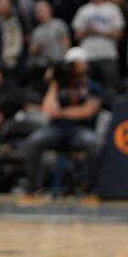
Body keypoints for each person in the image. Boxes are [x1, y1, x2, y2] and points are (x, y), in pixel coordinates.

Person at [20, 47, 104, 196]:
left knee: (94, 143)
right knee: (32, 142)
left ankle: (89, 186)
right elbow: (48, 110)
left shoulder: (92, 85)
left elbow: (87, 111)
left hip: (80, 130)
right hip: (56, 129)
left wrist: (62, 113)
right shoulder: (59, 84)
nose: (73, 68)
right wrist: (54, 82)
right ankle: (34, 187)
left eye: (76, 64)